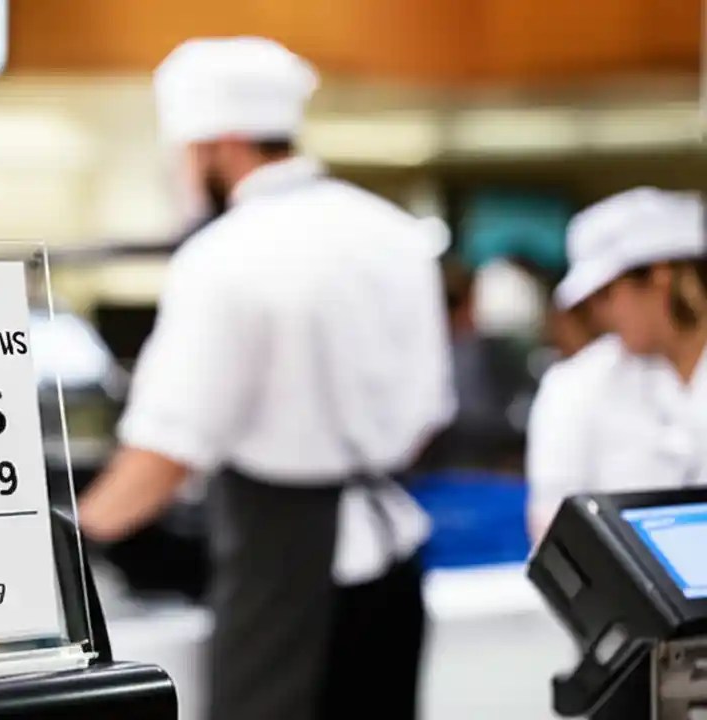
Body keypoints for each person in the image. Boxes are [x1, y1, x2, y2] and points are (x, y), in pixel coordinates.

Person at [77, 37, 455, 720]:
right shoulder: (395, 234)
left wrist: (75, 539)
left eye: (183, 157)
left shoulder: (224, 255)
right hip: (395, 561)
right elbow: (428, 415)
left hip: (283, 567)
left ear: (218, 146)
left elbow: (168, 449)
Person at [527, 188, 706, 538]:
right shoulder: (575, 387)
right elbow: (553, 531)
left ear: (661, 275)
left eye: (606, 294)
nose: (599, 314)